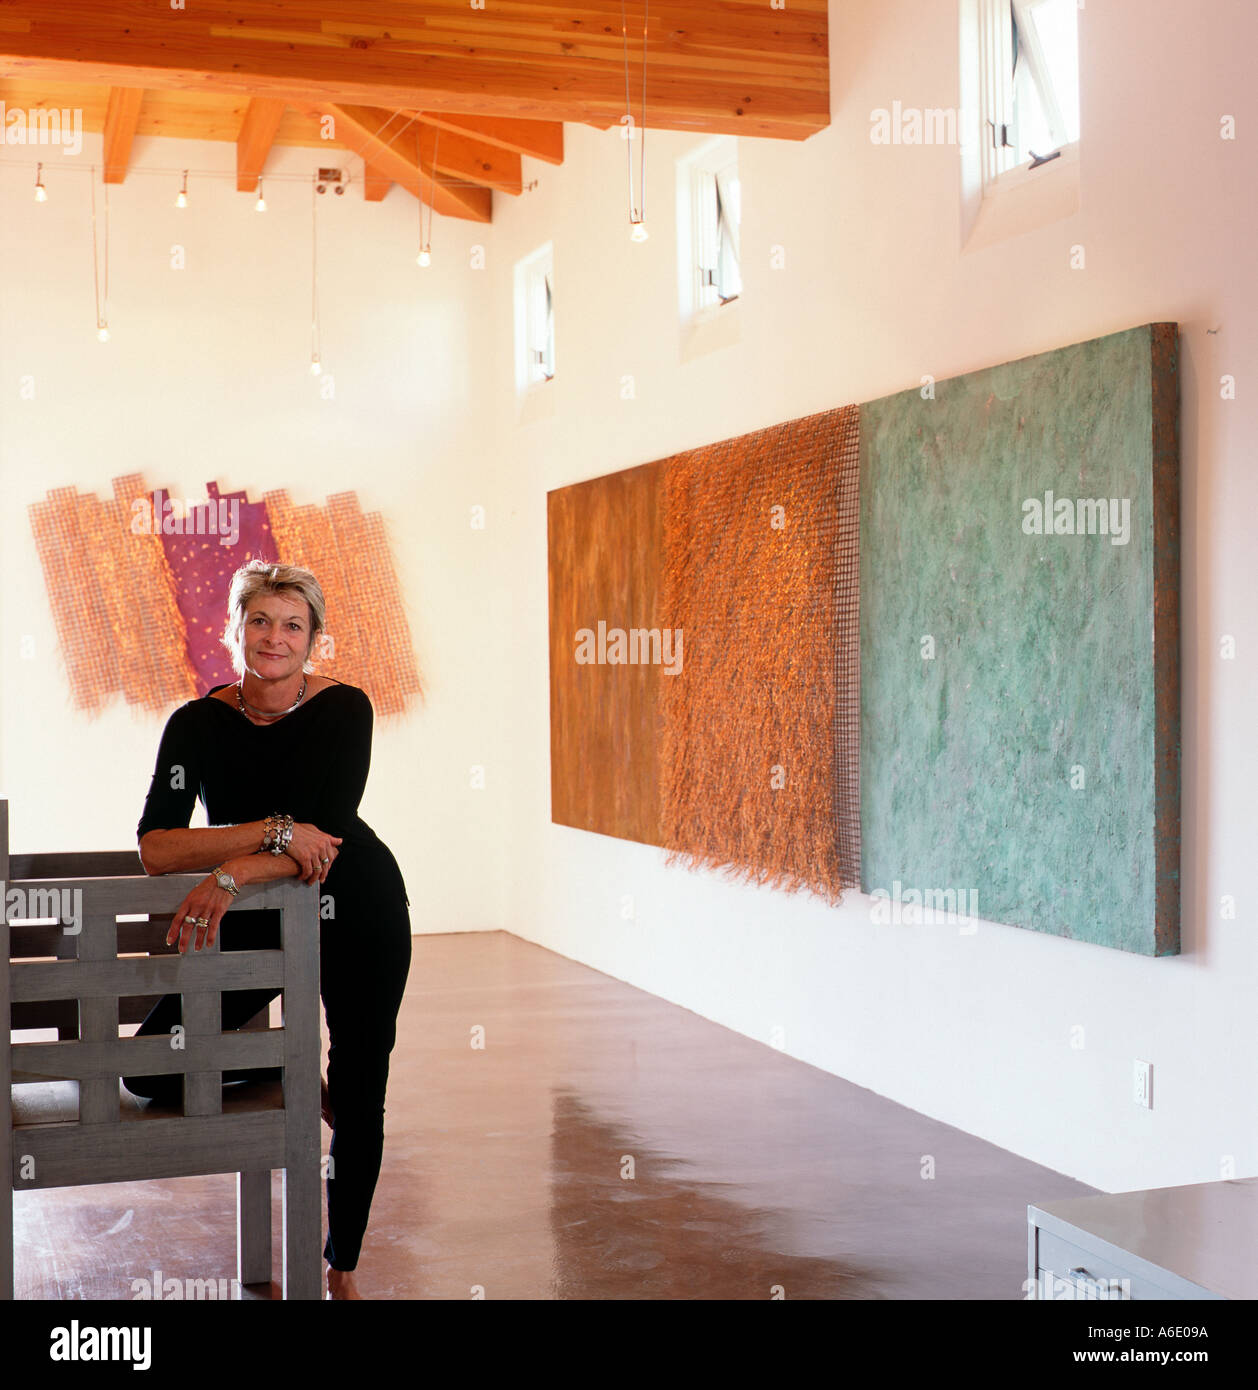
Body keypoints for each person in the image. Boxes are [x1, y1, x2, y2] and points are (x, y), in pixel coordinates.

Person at [123, 559, 412, 1301]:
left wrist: (234, 871)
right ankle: (287, 1069)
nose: (274, 638)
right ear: (235, 629)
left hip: (357, 909)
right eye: (259, 621)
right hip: (256, 922)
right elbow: (157, 847)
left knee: (360, 1089)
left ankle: (341, 1267)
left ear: (313, 638)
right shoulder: (196, 724)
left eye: (292, 625)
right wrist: (273, 832)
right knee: (150, 1071)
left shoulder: (346, 709)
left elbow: (330, 837)